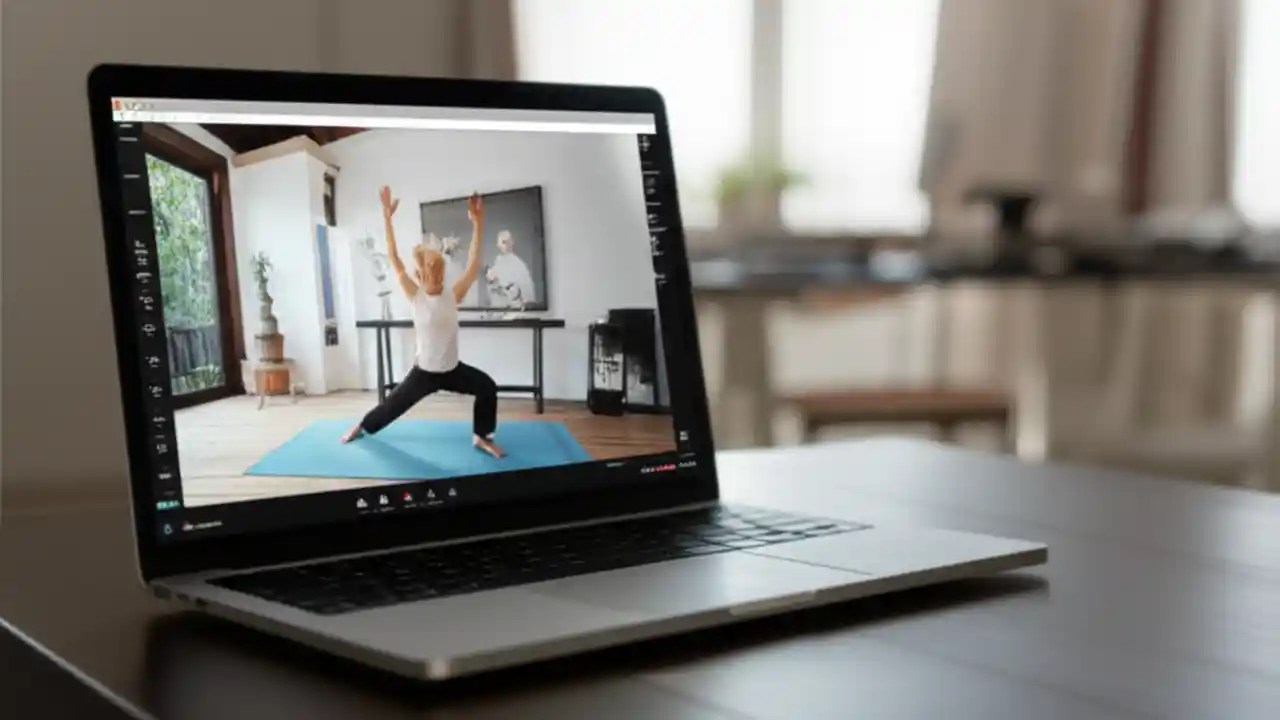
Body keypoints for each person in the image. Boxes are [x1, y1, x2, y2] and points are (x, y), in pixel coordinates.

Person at [342, 185, 505, 458]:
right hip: (424, 373)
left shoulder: (453, 294)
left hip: (452, 370)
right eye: (431, 275)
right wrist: (387, 217)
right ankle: (362, 426)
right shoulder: (415, 295)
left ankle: (482, 436)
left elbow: (474, 263)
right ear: (421, 276)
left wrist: (478, 223)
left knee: (486, 386)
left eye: (439, 274)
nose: (436, 280)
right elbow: (393, 257)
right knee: (393, 405)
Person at [487, 229, 537, 308]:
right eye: (503, 242)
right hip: (499, 309)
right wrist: (491, 281)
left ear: (512, 242)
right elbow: (494, 287)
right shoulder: (498, 262)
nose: (506, 245)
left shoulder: (519, 265)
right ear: (498, 244)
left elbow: (527, 292)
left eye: (508, 241)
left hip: (515, 309)